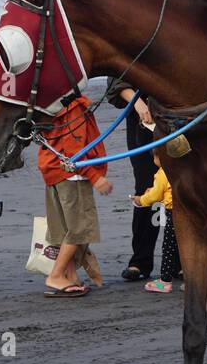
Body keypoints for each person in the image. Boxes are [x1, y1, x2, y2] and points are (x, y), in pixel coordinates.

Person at [36, 94, 113, 297]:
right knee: (79, 229)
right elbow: (74, 150)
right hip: (73, 176)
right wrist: (95, 177)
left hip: (53, 170)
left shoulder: (48, 104)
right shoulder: (73, 108)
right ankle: (56, 274)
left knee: (64, 229)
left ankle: (68, 276)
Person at [107, 81, 159, 280]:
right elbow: (114, 81)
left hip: (180, 114)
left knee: (181, 189)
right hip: (143, 120)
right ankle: (141, 260)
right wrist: (137, 102)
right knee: (146, 188)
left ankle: (181, 261)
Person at [132, 154, 176, 293]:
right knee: (189, 246)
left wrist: (141, 200)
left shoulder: (162, 173)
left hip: (174, 212)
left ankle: (165, 281)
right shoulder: (182, 168)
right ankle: (192, 278)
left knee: (169, 247)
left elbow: (155, 196)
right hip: (188, 210)